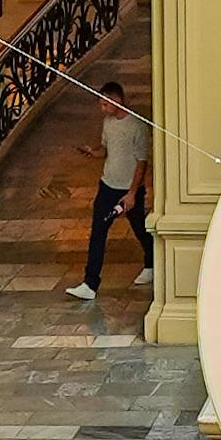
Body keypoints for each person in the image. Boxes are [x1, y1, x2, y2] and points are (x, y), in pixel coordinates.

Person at [67, 88, 152, 303]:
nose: (102, 108)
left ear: (117, 101)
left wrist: (132, 194)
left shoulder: (137, 126)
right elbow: (106, 150)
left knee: (140, 228)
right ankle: (90, 283)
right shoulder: (108, 124)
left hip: (128, 189)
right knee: (98, 232)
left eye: (105, 104)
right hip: (107, 186)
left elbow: (142, 162)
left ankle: (152, 263)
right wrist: (93, 152)